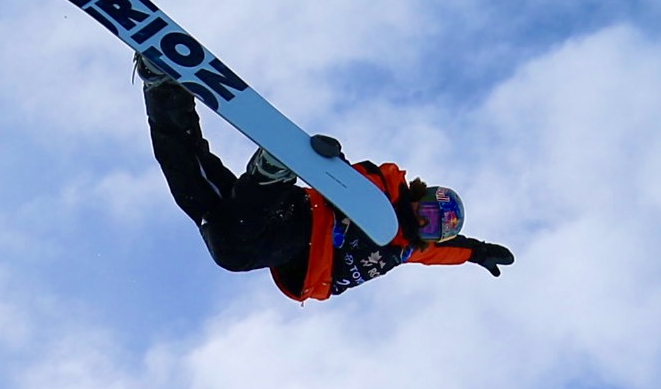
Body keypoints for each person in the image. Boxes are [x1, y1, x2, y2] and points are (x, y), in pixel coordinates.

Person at [141, 62, 514, 300]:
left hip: (289, 252)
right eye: (429, 208)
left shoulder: (408, 248)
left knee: (194, 186)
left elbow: (450, 252)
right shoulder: (383, 191)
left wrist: (478, 253)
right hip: (298, 223)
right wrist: (327, 162)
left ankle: (163, 89)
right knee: (231, 251)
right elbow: (349, 180)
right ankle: (271, 177)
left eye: (432, 226)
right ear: (421, 194)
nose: (421, 221)